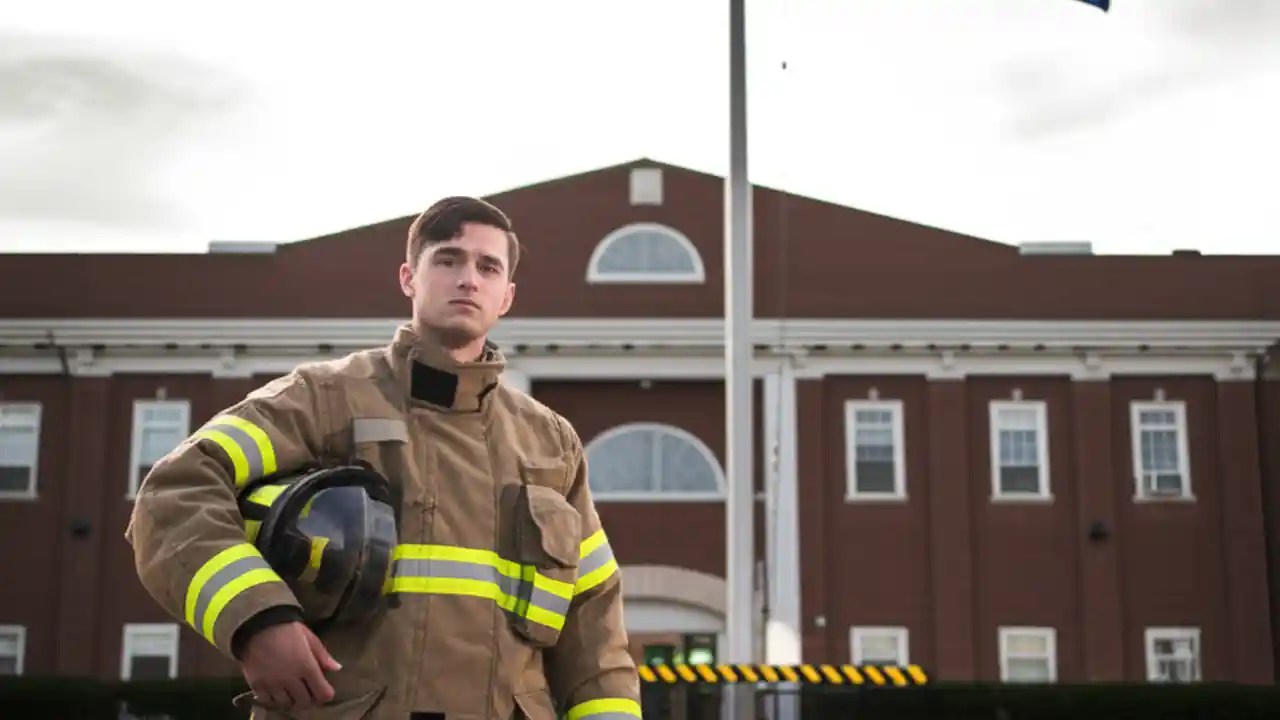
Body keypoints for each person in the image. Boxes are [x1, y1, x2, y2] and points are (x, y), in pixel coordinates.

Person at [125, 196, 641, 719]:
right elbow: (177, 492)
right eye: (448, 259)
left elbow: (593, 623)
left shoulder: (550, 443)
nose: (468, 279)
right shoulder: (322, 398)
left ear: (506, 296)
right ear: (408, 278)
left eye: (488, 267)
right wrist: (257, 622)